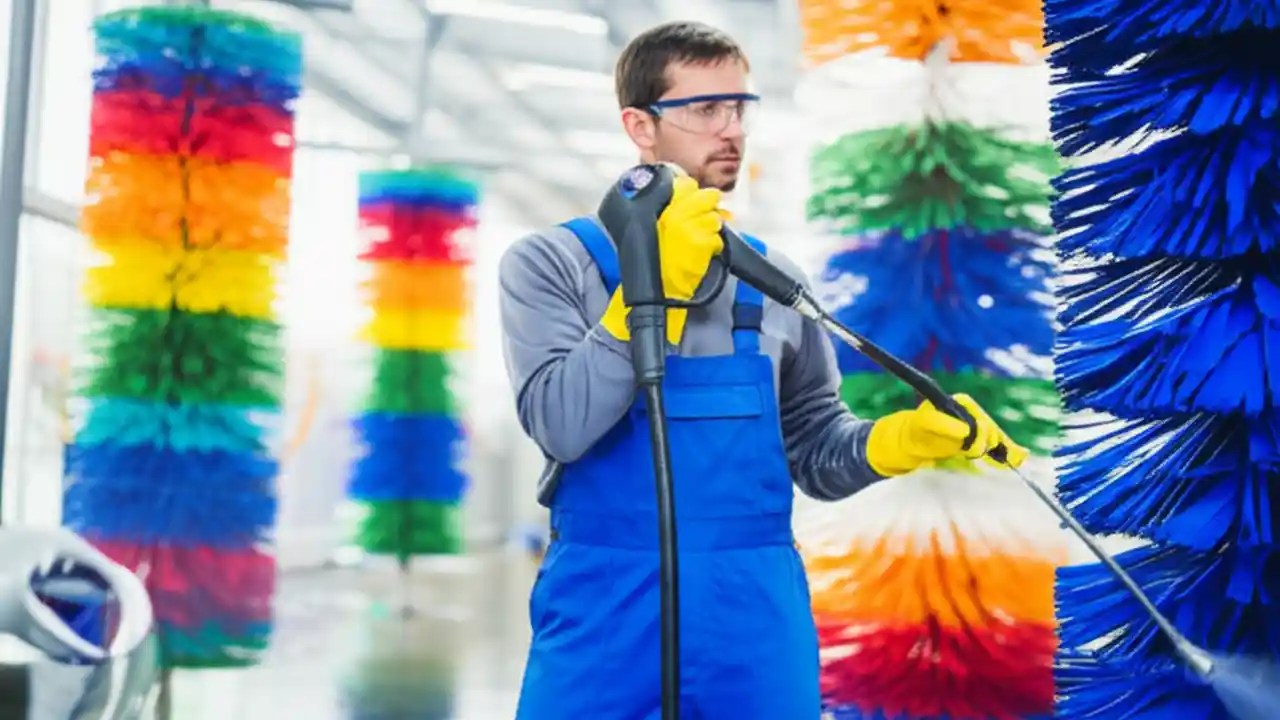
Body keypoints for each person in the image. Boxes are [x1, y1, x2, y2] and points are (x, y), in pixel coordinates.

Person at [497, 20, 1029, 719]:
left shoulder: (774, 280)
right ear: (640, 126)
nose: (731, 130)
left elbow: (814, 450)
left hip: (751, 614)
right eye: (704, 109)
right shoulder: (549, 265)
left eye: (740, 106)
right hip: (605, 608)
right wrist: (650, 297)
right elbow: (562, 426)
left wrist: (893, 443)